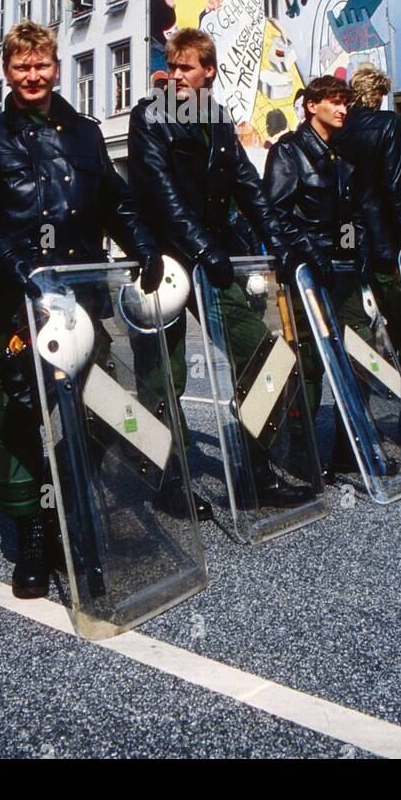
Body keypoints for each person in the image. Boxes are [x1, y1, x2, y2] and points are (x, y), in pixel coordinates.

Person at [0, 22, 163, 598]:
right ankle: (33, 537)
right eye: (21, 66)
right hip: (11, 304)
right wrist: (22, 268)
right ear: (7, 70)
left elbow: (116, 204)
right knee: (17, 420)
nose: (32, 75)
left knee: (93, 410)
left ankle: (73, 517)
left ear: (55, 66)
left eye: (41, 64)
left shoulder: (87, 135)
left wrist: (144, 245)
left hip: (81, 303)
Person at [127, 27, 310, 511]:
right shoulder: (150, 116)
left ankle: (256, 470)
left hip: (212, 262)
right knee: (163, 378)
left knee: (265, 355)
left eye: (188, 67)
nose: (178, 75)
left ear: (208, 70)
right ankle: (171, 477)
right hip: (162, 265)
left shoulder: (219, 120)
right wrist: (205, 248)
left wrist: (283, 243)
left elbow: (249, 188)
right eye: (174, 66)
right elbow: (159, 192)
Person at [263, 75, 371, 477]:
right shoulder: (289, 152)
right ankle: (303, 457)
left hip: (342, 274)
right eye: (335, 102)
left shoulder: (341, 156)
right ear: (312, 106)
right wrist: (311, 254)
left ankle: (353, 450)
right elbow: (275, 213)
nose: (343, 109)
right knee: (307, 364)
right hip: (307, 276)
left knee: (360, 356)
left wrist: (352, 249)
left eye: (346, 103)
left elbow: (350, 214)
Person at [337, 64, 401, 399]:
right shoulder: (387, 123)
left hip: (348, 233)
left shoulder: (340, 126)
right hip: (383, 238)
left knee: (355, 320)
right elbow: (397, 184)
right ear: (378, 94)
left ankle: (356, 412)